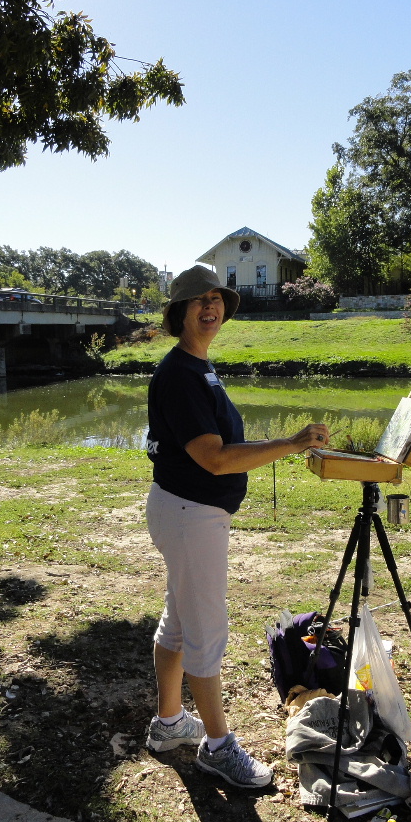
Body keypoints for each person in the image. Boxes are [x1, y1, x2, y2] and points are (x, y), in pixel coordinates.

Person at [144, 265, 330, 788]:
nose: (211, 307)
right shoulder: (180, 374)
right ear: (179, 311)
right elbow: (215, 459)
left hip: (184, 511)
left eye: (217, 299)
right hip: (190, 514)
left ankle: (167, 723)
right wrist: (290, 444)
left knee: (180, 622)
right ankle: (218, 747)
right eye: (199, 300)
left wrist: (282, 445)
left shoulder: (198, 367)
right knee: (204, 631)